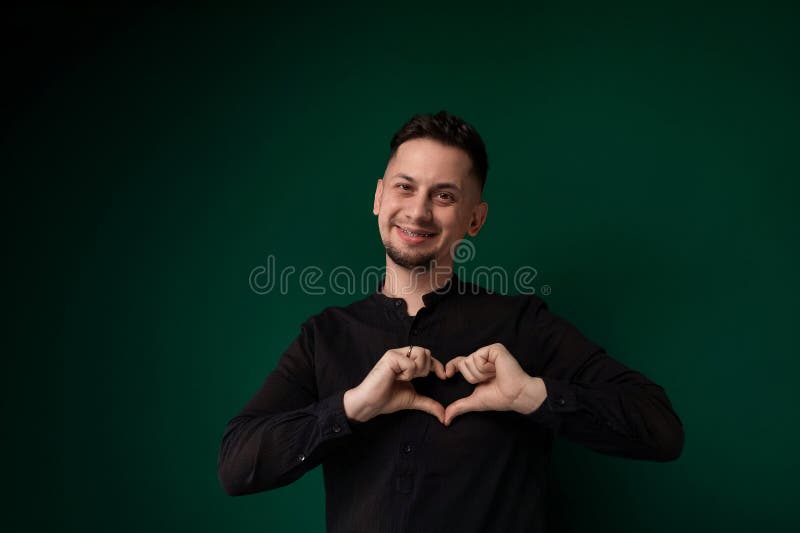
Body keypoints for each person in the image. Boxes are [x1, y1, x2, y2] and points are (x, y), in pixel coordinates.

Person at [217, 111, 684, 532]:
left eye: (444, 195)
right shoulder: (325, 337)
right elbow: (237, 468)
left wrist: (530, 396)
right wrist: (354, 406)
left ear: (474, 220)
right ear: (379, 197)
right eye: (404, 186)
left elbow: (661, 430)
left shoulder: (523, 325)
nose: (418, 211)